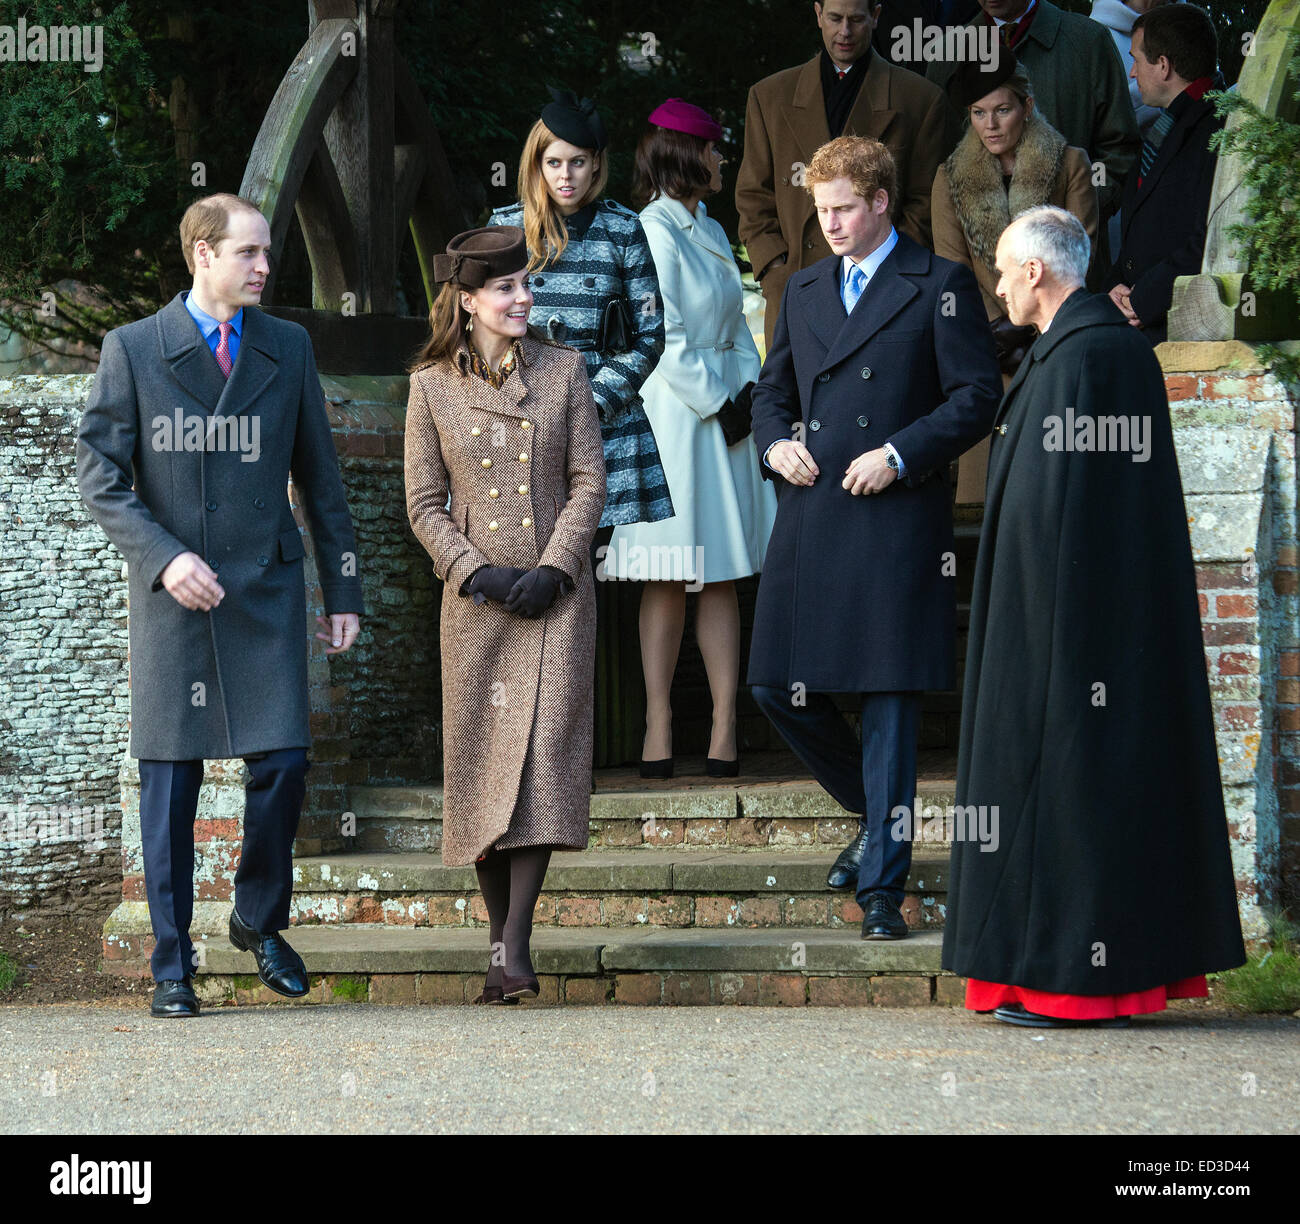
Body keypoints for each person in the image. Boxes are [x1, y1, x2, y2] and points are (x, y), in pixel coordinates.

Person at [943, 205, 1245, 1026]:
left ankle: (1072, 983)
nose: (998, 283)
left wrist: (1056, 637)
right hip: (1053, 624)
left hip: (1077, 634)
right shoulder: (1071, 352)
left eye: (1005, 269)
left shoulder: (1094, 358)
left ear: (1037, 272)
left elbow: (1081, 516)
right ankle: (1034, 974)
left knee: (1076, 793)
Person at [76, 193, 365, 1018]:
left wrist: (342, 589)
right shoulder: (132, 350)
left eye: (267, 252)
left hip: (265, 589)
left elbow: (321, 478)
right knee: (170, 784)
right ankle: (172, 964)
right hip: (174, 598)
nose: (265, 267)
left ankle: (256, 918)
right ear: (202, 255)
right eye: (249, 253)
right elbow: (100, 479)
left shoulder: (288, 346)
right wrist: (165, 561)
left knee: (283, 763)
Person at [748, 137, 1001, 939]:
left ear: (882, 202)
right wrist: (773, 441)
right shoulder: (804, 285)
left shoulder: (942, 284)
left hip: (895, 518)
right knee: (770, 683)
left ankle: (884, 894)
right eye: (821, 209)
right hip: (813, 510)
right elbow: (770, 391)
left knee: (889, 700)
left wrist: (898, 455)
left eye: (844, 208)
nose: (829, 223)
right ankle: (876, 810)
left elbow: (975, 398)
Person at [404, 226, 606, 1004]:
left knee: (545, 760)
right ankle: (502, 953)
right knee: (487, 766)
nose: (523, 298)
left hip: (556, 597)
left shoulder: (565, 370)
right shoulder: (430, 386)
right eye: (506, 288)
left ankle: (513, 945)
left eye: (527, 285)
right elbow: (422, 504)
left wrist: (556, 568)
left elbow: (588, 480)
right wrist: (473, 571)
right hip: (478, 605)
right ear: (467, 299)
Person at [490, 88, 672, 769]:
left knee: (573, 582)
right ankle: (524, 747)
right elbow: (476, 333)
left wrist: (585, 402)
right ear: (535, 163)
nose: (566, 177)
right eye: (553, 163)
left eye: (580, 164)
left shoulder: (626, 230)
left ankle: (575, 753)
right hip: (516, 436)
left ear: (599, 167)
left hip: (600, 433)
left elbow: (649, 336)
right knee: (520, 578)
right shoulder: (504, 229)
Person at [604, 100, 778, 778]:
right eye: (714, 148)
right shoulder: (651, 230)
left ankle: (725, 723)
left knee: (722, 575)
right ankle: (658, 719)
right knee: (668, 572)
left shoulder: (706, 225)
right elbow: (664, 336)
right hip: (675, 419)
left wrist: (745, 393)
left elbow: (738, 326)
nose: (721, 160)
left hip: (725, 412)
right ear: (687, 154)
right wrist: (719, 397)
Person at [736, 0, 955, 351]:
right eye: (835, 19)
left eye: (856, 19)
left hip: (886, 299)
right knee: (792, 404)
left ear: (877, 15)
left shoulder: (920, 99)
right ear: (818, 13)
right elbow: (752, 198)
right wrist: (777, 274)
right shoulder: (769, 96)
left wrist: (887, 275)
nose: (845, 32)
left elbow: (926, 202)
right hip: (795, 292)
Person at [930, 53, 1097, 501]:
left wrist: (1032, 330)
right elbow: (952, 273)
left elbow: (1080, 256)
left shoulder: (1070, 164)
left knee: (1053, 491)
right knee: (981, 501)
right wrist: (999, 334)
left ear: (1026, 104)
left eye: (1002, 110)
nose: (990, 125)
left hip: (1053, 343)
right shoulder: (948, 179)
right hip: (986, 349)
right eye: (978, 113)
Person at [925, 0, 1140, 234]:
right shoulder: (948, 53)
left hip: (1074, 251)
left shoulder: (1088, 40)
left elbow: (1120, 148)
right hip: (979, 256)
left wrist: (1080, 210)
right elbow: (938, 159)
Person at [1106, 2, 1222, 345]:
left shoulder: (1218, 130)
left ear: (1163, 66)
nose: (1131, 73)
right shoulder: (1164, 128)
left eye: (1136, 60)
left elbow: (1209, 238)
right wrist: (1114, 289)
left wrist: (1143, 300)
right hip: (1141, 327)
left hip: (1177, 333)